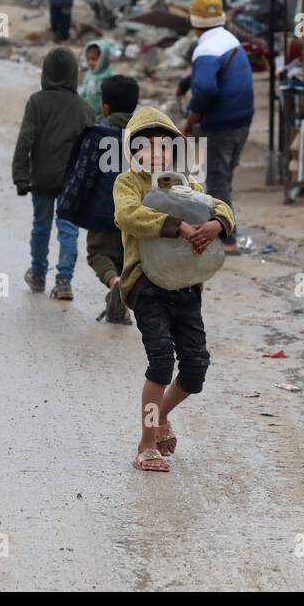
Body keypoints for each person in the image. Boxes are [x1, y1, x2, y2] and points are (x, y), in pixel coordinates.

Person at [114, 106, 234, 472]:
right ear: (133, 152)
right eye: (145, 147)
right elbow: (128, 215)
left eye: (163, 146)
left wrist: (216, 224)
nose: (155, 153)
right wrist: (176, 225)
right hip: (146, 285)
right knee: (162, 361)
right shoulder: (128, 183)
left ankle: (161, 416)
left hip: (185, 286)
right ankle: (146, 444)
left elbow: (219, 205)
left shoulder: (186, 185)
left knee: (196, 368)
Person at [13, 45, 95, 300]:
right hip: (73, 182)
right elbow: (91, 148)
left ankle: (38, 276)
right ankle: (63, 282)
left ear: (46, 71)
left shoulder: (37, 102)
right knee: (68, 229)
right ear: (74, 73)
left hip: (42, 178)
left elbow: (25, 140)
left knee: (41, 226)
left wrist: (20, 176)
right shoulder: (84, 108)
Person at [183, 0, 253, 254]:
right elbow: (206, 78)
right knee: (224, 176)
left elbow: (205, 90)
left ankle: (229, 239)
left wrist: (190, 120)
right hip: (242, 122)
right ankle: (218, 225)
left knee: (217, 179)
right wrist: (183, 85)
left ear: (194, 22)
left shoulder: (205, 49)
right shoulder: (230, 40)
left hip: (221, 125)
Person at [84, 74, 139, 324]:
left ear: (104, 106)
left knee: (98, 253)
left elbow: (83, 172)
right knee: (129, 256)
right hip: (136, 211)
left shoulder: (97, 133)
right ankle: (123, 299)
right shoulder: (145, 137)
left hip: (103, 209)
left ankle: (114, 282)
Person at [78, 39, 114, 114]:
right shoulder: (89, 74)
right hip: (88, 112)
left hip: (102, 115)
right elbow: (84, 91)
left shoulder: (108, 75)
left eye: (94, 59)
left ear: (103, 58)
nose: (90, 62)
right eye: (88, 59)